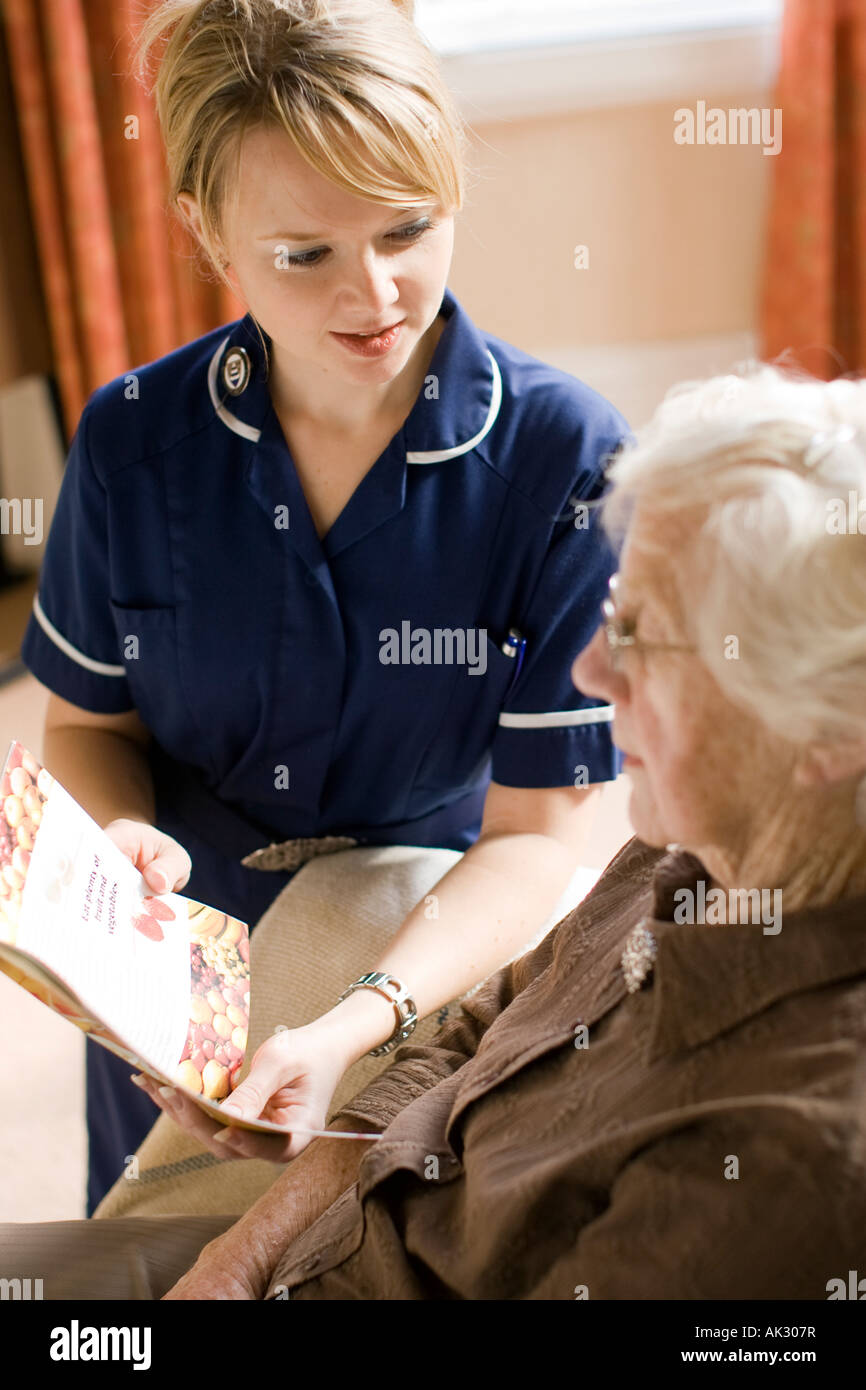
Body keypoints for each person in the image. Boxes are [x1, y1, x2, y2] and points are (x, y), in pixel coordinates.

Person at [5, 360, 866, 1299]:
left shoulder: (793, 1159)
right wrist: (236, 1262)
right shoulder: (684, 853)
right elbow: (475, 1035)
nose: (586, 676)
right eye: (616, 616)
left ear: (830, 726)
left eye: (648, 641)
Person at [20, 0, 627, 1213]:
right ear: (205, 229)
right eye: (306, 254)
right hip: (173, 970)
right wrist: (123, 838)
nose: (378, 293)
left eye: (410, 226)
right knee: (151, 1270)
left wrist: (361, 1020)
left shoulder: (565, 458)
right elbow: (88, 727)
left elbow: (543, 835)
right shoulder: (133, 441)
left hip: (426, 940)